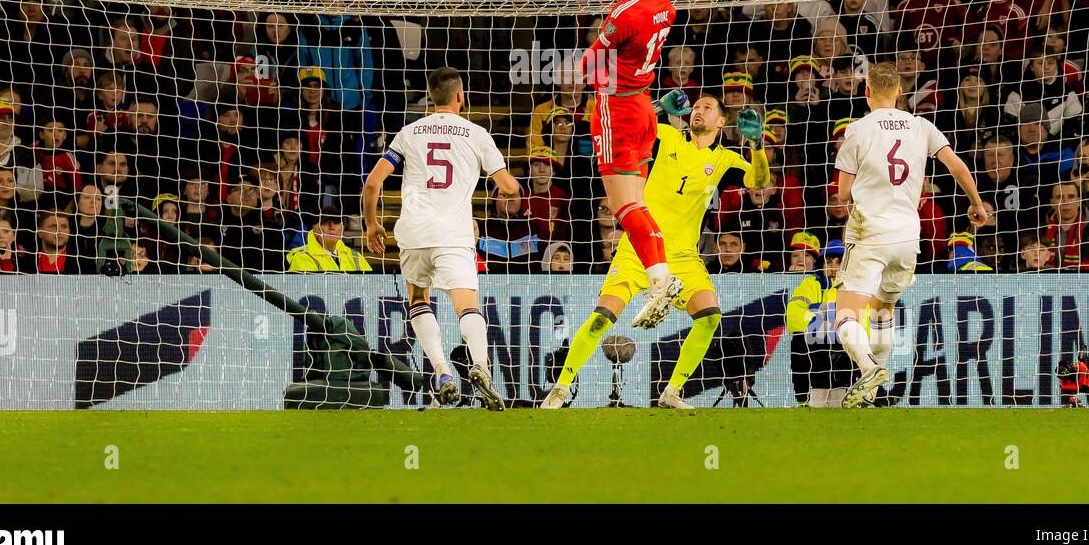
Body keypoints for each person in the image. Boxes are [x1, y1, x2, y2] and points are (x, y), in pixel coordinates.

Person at [541, 91, 770, 409]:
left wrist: (757, 144)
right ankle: (561, 388)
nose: (698, 111)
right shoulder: (666, 135)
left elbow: (759, 182)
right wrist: (659, 107)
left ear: (721, 121)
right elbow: (625, 124)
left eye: (707, 107)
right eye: (697, 106)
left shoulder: (726, 160)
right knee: (602, 317)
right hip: (639, 245)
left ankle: (671, 391)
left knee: (709, 316)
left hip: (683, 256)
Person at [362, 67, 518, 409]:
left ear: (432, 97)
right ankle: (480, 366)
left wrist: (372, 225)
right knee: (467, 304)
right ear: (460, 96)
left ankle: (443, 371)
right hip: (452, 234)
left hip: (414, 233)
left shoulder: (408, 133)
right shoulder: (476, 134)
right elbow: (509, 188)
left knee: (419, 298)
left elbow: (373, 183)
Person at [834, 62, 988, 408]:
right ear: (901, 92)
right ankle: (872, 394)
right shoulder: (921, 125)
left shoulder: (857, 130)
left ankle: (869, 367)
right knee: (883, 308)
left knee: (845, 313)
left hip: (870, 230)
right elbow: (956, 165)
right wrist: (976, 203)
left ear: (867, 91)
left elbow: (843, 194)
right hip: (907, 236)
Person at [577, 0, 680, 323]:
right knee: (637, 205)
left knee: (623, 207)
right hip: (643, 106)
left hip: (617, 108)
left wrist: (593, 75)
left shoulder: (627, 11)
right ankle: (659, 277)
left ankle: (661, 279)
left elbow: (591, 61)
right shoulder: (666, 8)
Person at [788, 242, 858, 406]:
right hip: (816, 339)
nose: (833, 267)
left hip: (847, 340)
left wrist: (827, 322)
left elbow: (865, 319)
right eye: (829, 261)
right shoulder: (811, 284)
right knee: (799, 340)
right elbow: (793, 314)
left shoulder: (855, 288)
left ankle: (852, 395)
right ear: (821, 264)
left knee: (860, 343)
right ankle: (803, 400)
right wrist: (823, 326)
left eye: (839, 262)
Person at [286, 213, 372, 272]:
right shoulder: (302, 258)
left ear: (342, 229)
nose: (332, 227)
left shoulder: (356, 257)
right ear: (315, 228)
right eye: (325, 223)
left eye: (336, 222)